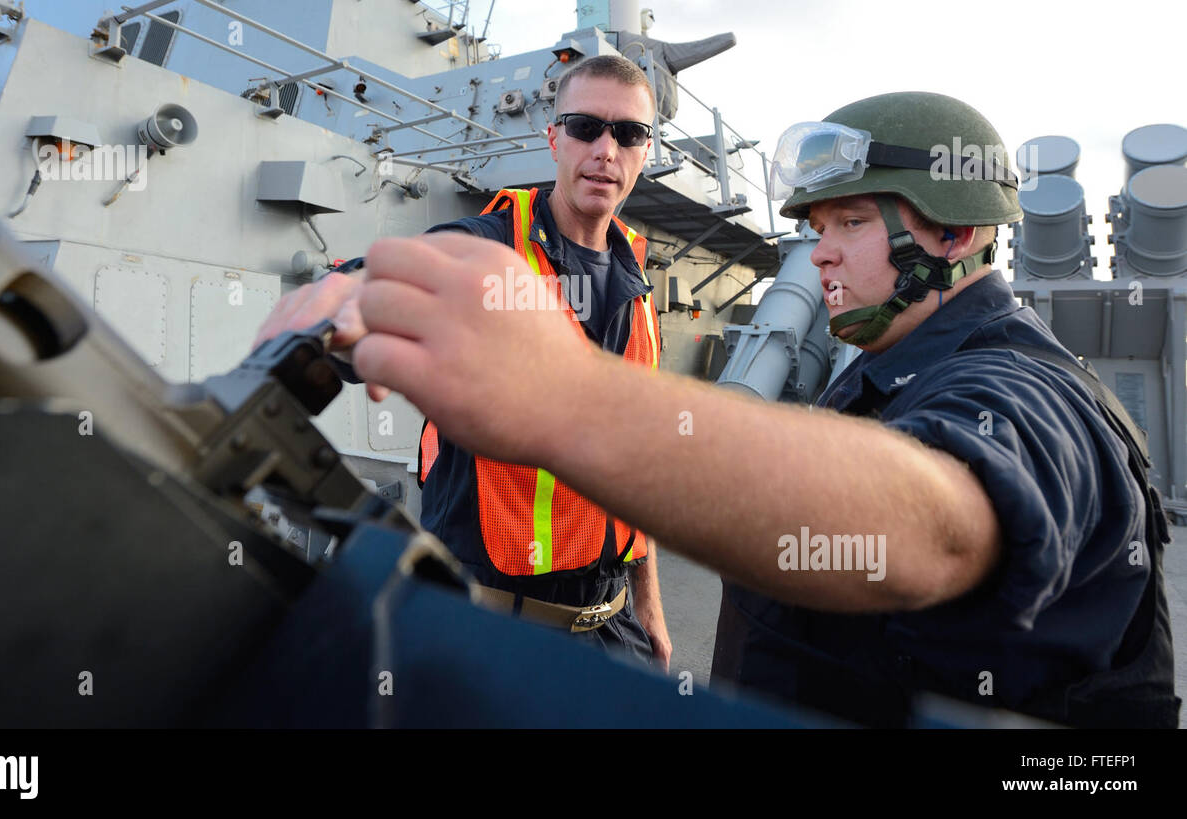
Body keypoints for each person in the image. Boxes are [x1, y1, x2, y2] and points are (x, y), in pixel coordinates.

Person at [344, 90, 1179, 727]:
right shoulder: (896, 367)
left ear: (954, 236)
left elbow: (936, 525)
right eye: (817, 224)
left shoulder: (1027, 388)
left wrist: (557, 393)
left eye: (851, 220)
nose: (820, 250)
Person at [254, 54, 672, 669]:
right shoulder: (494, 245)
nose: (606, 149)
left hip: (613, 630)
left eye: (628, 133)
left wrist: (650, 609)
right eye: (586, 127)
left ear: (644, 151)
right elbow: (421, 266)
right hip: (491, 626)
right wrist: (356, 294)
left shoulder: (636, 279)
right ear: (553, 137)